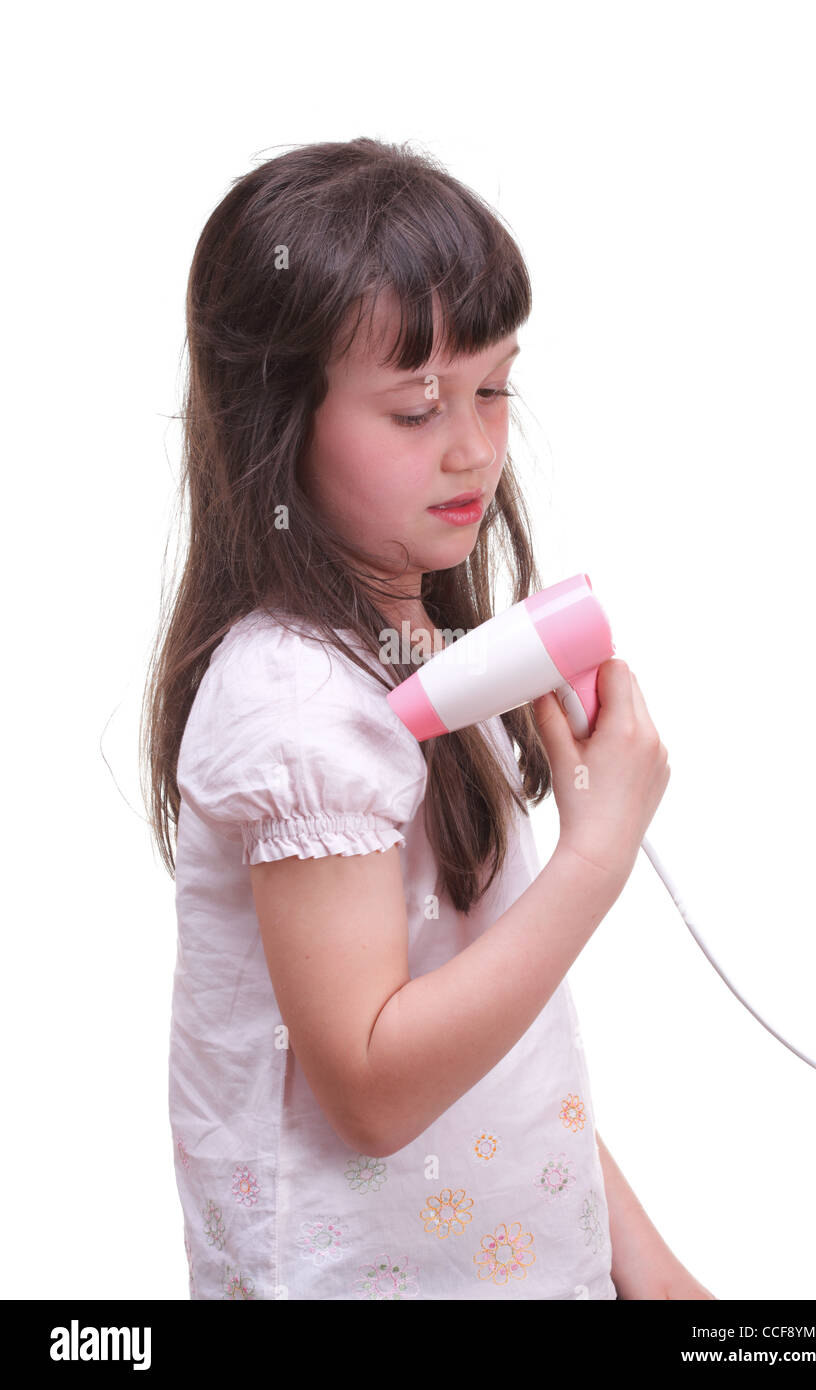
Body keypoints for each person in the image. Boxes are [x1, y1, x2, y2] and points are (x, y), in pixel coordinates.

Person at [143, 137, 715, 1301]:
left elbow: (493, 1034)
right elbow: (372, 1088)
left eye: (494, 385)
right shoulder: (297, 703)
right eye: (415, 407)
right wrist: (595, 857)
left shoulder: (413, 644)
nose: (472, 446)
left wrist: (645, 1272)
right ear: (277, 421)